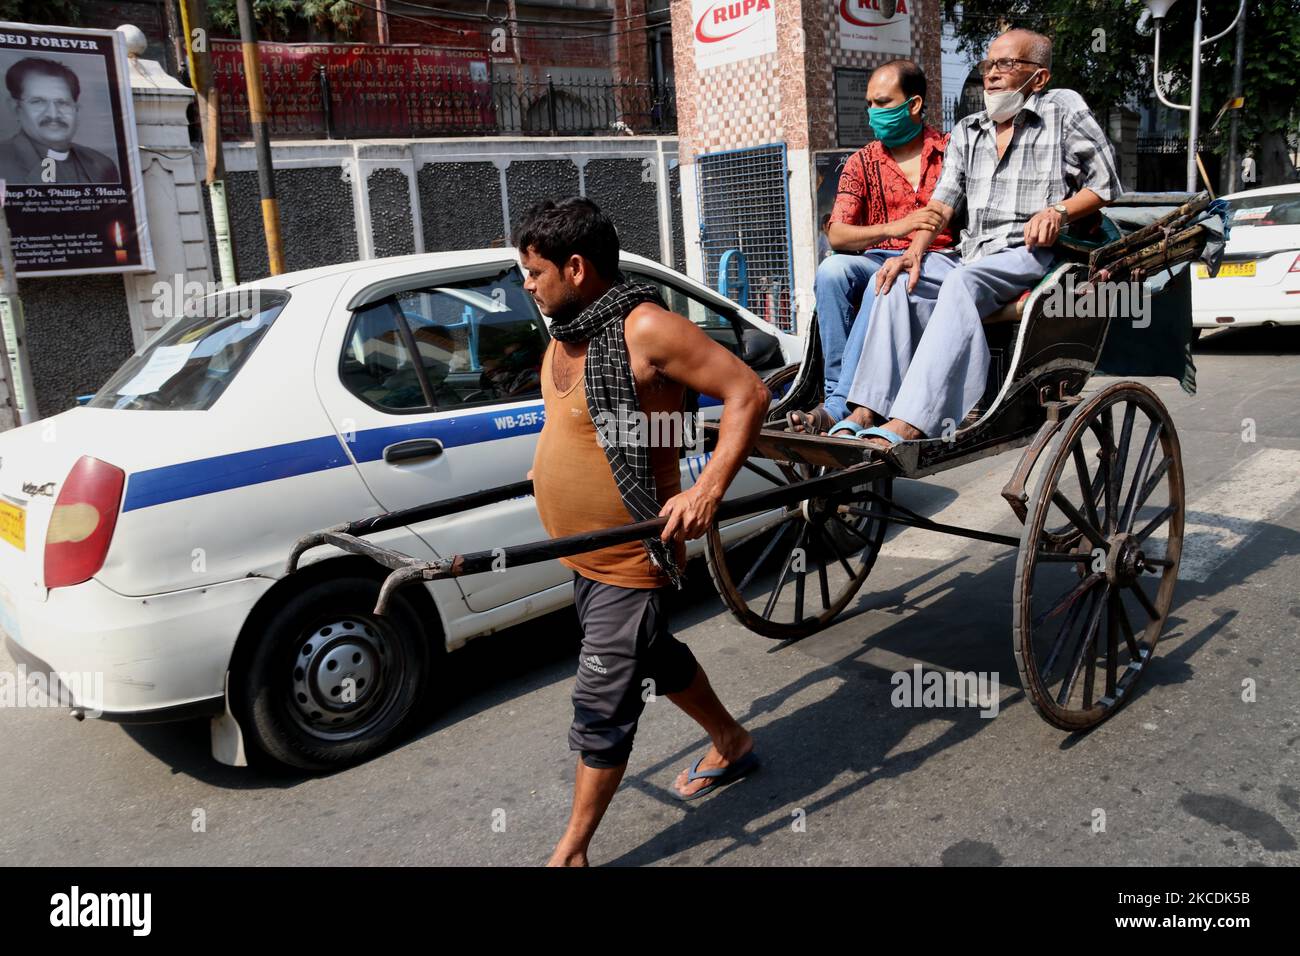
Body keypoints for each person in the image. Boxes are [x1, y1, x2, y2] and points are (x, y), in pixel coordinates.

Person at [515, 198, 769, 867]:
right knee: (650, 651)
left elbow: (747, 393)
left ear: (575, 267)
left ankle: (570, 852)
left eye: (534, 272)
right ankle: (732, 740)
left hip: (632, 554)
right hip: (584, 553)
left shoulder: (646, 328)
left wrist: (707, 487)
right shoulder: (569, 331)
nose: (527, 284)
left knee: (603, 697)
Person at [832, 29, 1123, 449]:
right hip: (970, 254)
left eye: (1006, 64)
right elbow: (943, 203)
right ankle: (865, 409)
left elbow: (1106, 185)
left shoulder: (1064, 109)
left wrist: (1057, 211)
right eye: (989, 65)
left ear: (1038, 78)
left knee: (959, 284)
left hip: (1028, 253)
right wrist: (913, 252)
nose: (992, 74)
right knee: (896, 281)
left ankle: (913, 420)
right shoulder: (969, 130)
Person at [788, 58, 953, 434]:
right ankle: (835, 397)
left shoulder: (951, 151)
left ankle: (841, 406)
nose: (873, 113)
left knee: (886, 277)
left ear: (913, 105)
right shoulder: (861, 162)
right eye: (869, 105)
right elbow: (839, 234)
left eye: (882, 103)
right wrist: (898, 226)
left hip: (940, 262)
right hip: (880, 258)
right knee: (832, 270)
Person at [0, 57, 119, 185]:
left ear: (76, 109)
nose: (53, 114)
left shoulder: (101, 166)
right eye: (38, 102)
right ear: (15, 108)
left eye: (63, 103)